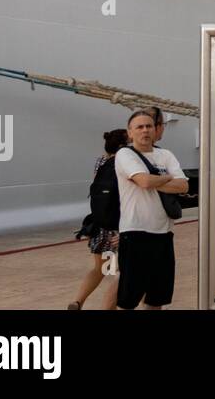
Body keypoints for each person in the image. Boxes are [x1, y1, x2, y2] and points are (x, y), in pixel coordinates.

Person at [114, 109, 188, 309]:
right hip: (136, 233)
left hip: (164, 234)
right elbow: (145, 181)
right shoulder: (125, 154)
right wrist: (167, 178)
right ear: (130, 132)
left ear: (156, 130)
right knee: (129, 299)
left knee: (158, 298)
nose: (145, 130)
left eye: (149, 126)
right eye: (139, 127)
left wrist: (153, 181)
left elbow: (184, 186)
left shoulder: (166, 154)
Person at [69, 128, 129, 310]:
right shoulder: (125, 163)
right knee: (123, 274)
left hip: (100, 226)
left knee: (100, 269)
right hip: (119, 225)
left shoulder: (101, 162)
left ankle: (77, 301)